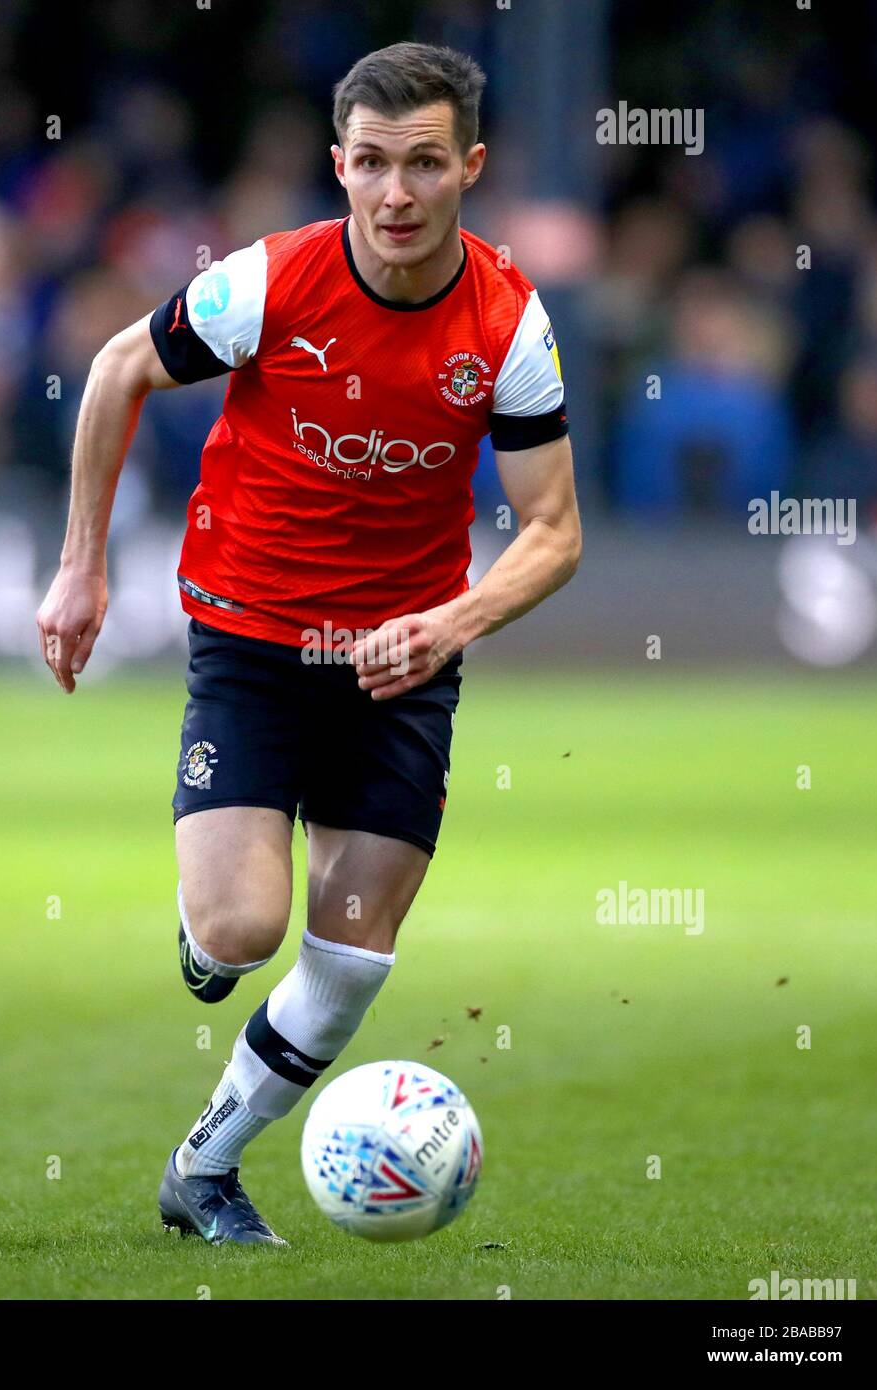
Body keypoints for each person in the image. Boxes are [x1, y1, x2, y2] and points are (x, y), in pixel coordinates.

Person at [36, 41, 581, 1246]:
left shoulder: (506, 320)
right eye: (373, 164)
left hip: (401, 660)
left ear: (469, 169)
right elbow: (121, 366)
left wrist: (449, 622)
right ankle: (202, 919)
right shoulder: (267, 285)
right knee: (240, 934)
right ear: (338, 166)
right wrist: (81, 564)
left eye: (424, 165)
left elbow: (552, 531)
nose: (396, 194)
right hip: (252, 637)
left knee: (351, 950)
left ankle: (205, 1168)